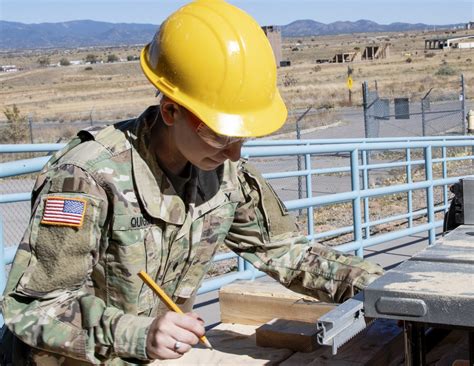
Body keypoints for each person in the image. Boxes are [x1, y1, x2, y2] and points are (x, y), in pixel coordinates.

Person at [1, 0, 383, 364]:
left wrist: (379, 285)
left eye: (242, 137)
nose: (234, 154)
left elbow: (284, 252)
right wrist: (138, 334)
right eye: (221, 136)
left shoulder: (226, 173)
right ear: (171, 110)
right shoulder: (87, 178)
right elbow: (36, 306)